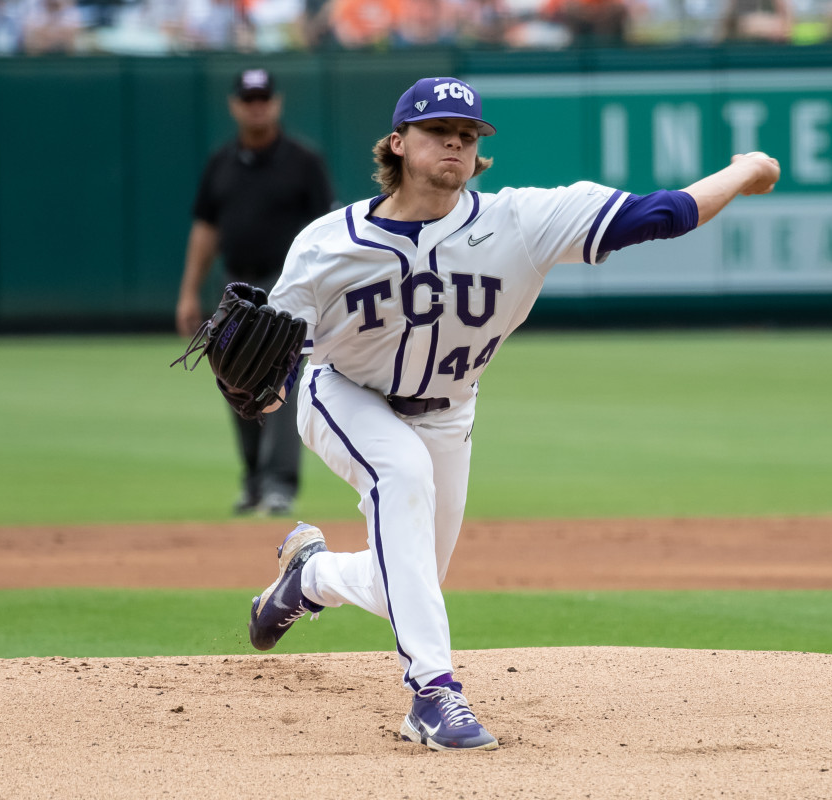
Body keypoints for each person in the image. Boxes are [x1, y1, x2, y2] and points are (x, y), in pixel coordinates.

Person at [245, 76, 780, 751]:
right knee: (401, 476)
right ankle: (434, 694)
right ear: (398, 143)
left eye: (467, 135)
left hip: (449, 414)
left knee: (405, 582)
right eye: (439, 130)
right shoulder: (327, 244)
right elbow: (279, 350)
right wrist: (271, 386)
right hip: (344, 394)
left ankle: (311, 577)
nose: (456, 142)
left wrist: (741, 171)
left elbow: (659, 215)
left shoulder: (519, 221)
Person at [176, 68, 335, 516]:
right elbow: (205, 229)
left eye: (263, 97)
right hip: (236, 288)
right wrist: (189, 292)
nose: (257, 106)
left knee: (282, 382)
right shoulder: (220, 163)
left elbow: (329, 230)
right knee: (234, 377)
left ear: (276, 102)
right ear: (234, 105)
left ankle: (279, 483)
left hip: (289, 290)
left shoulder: (305, 161)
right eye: (249, 99)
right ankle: (252, 480)